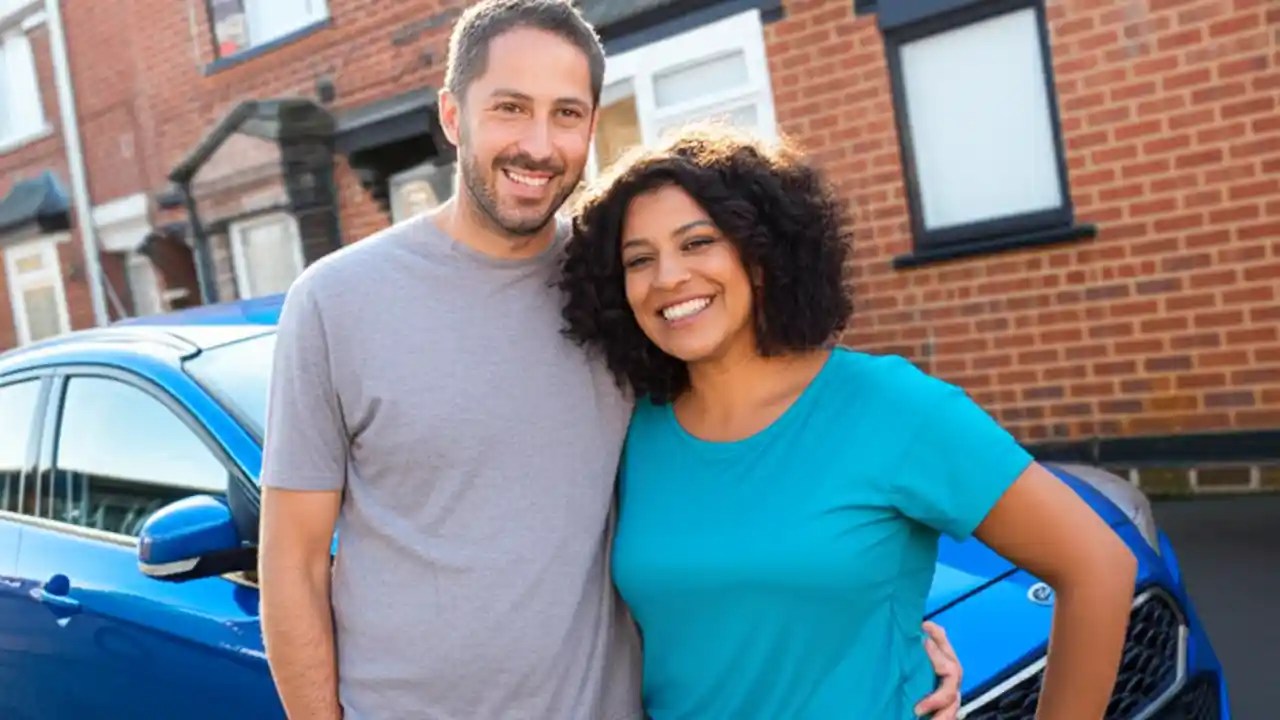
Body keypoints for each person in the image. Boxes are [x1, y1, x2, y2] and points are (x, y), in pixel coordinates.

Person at [258, 1, 963, 718]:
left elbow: (763, 459)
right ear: (451, 114)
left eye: (566, 114)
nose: (538, 144)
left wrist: (878, 639)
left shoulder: (627, 286)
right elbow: (295, 562)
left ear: (591, 127)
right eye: (509, 107)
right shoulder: (335, 302)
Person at [558, 124, 1139, 720]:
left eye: (698, 242)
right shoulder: (634, 430)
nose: (668, 277)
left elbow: (1098, 565)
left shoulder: (888, 406)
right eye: (639, 259)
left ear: (760, 256)